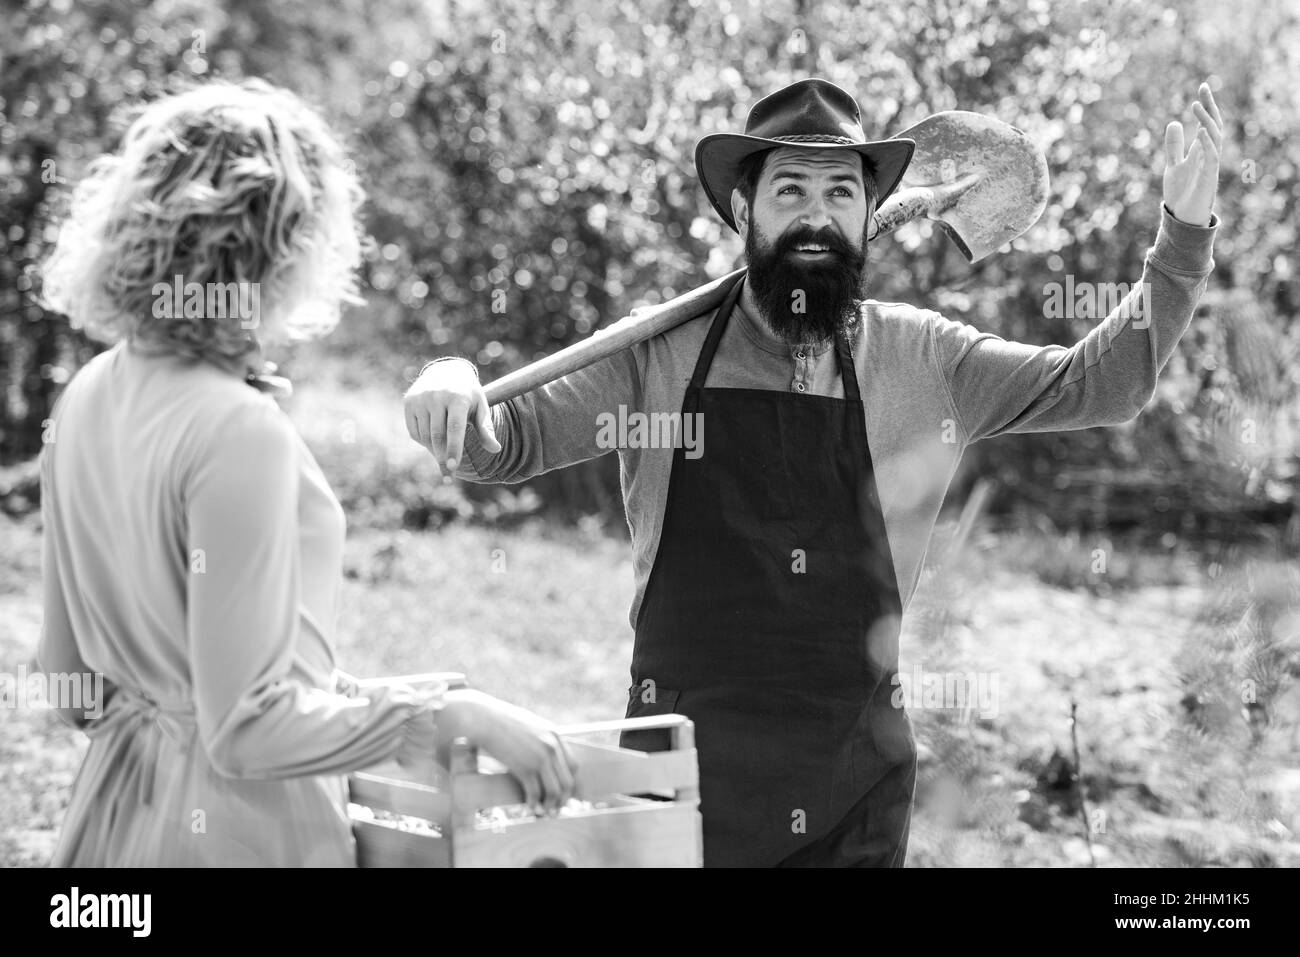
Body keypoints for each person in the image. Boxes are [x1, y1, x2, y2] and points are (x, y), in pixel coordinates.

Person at [403, 77, 1223, 867]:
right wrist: (449, 377)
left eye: (840, 194)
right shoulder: (657, 354)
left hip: (854, 796)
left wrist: (1181, 239)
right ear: (741, 211)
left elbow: (1105, 385)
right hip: (676, 779)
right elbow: (499, 443)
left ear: (869, 215)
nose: (817, 216)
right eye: (789, 191)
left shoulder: (925, 357)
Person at [36, 79, 575, 867]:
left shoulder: (85, 393)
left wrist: (346, 697)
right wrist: (450, 715)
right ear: (284, 245)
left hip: (111, 826)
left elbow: (70, 684)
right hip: (241, 836)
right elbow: (245, 728)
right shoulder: (237, 427)